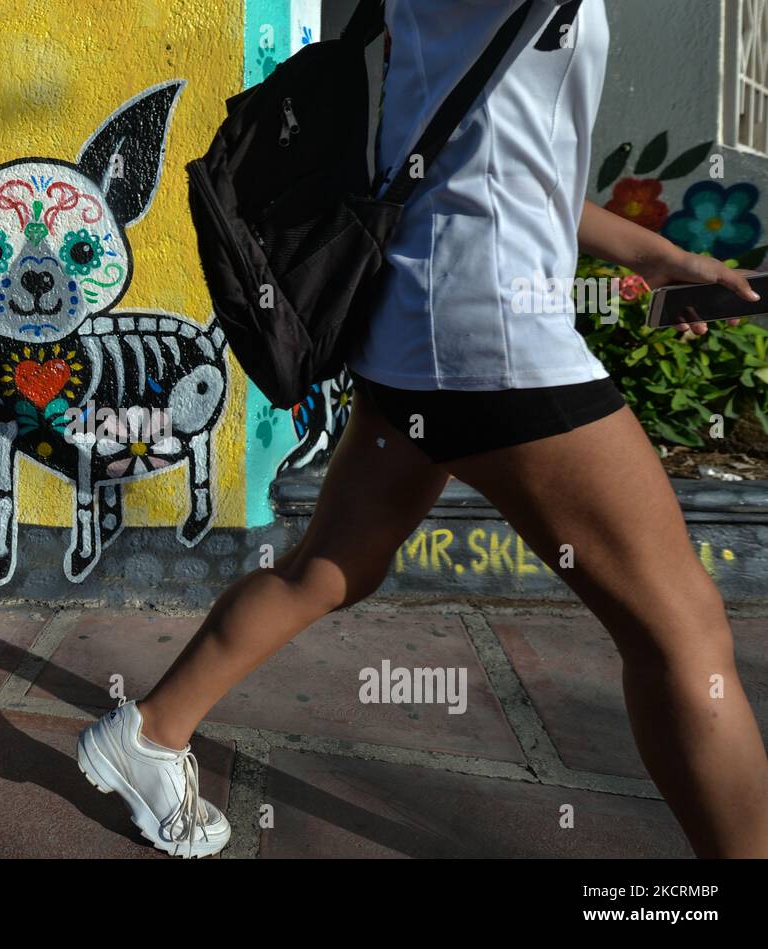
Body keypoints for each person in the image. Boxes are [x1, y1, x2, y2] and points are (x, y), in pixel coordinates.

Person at [75, 0, 768, 859]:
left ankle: (149, 734)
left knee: (328, 569)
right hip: (496, 345)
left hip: (418, 336)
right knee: (682, 634)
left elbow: (497, 158)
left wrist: (660, 256)